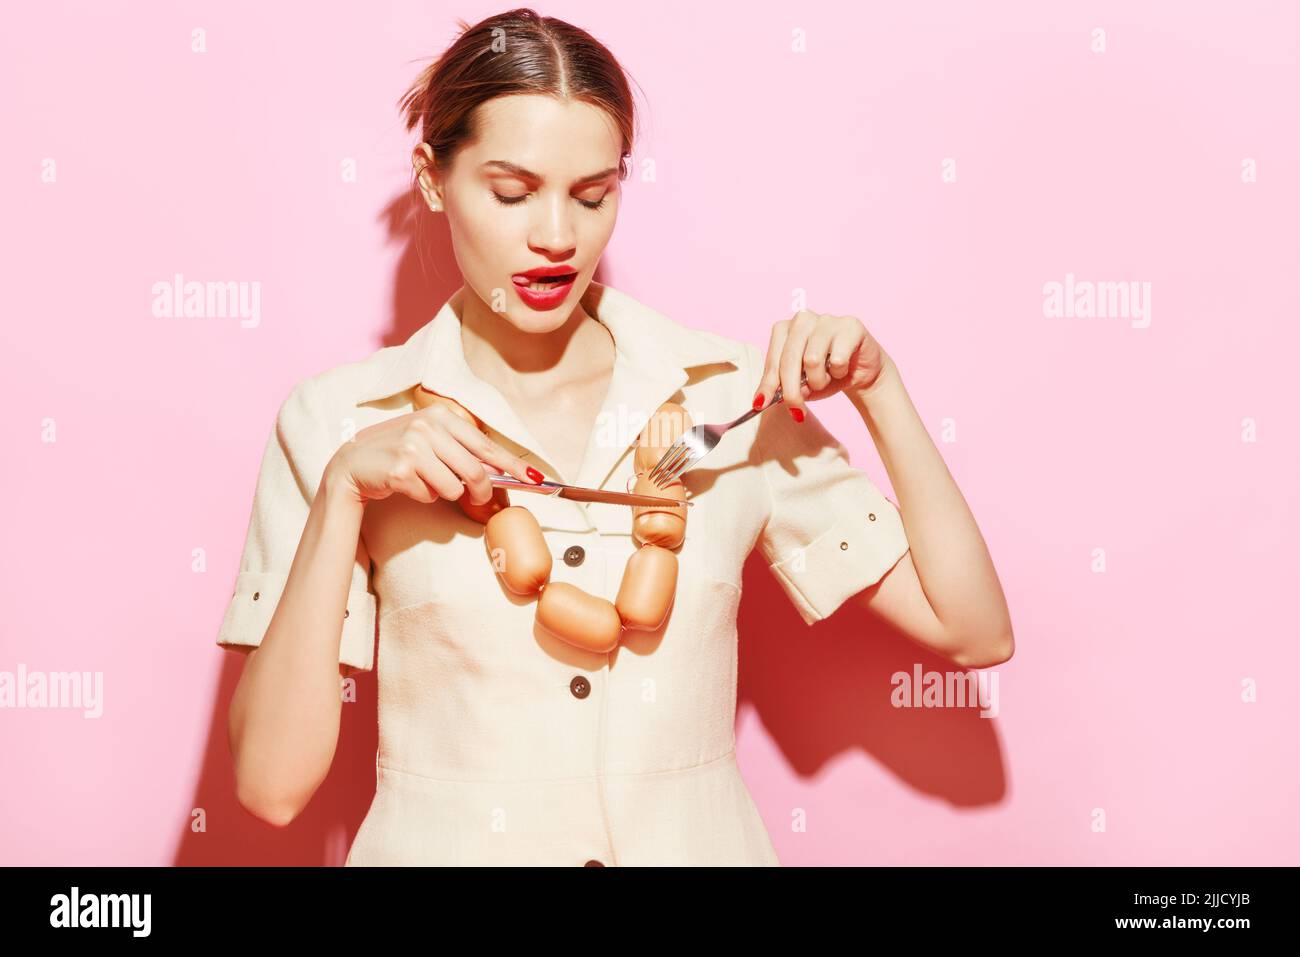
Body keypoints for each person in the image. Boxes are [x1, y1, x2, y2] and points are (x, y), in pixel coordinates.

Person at [216, 8, 1014, 866]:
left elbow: (974, 631)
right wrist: (343, 490)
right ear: (432, 177)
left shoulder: (725, 399)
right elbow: (271, 785)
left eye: (594, 195)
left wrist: (879, 389)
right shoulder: (338, 420)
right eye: (513, 192)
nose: (558, 235)